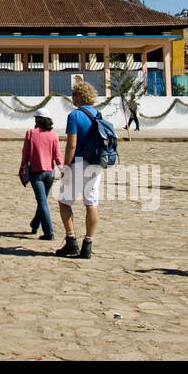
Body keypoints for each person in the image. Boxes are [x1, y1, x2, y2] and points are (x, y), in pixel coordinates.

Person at [56, 82, 104, 259]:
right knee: (91, 203)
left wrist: (65, 166)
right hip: (95, 164)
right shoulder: (97, 114)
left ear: (79, 96)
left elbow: (72, 143)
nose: (72, 96)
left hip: (78, 163)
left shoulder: (74, 115)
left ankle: (71, 241)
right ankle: (88, 245)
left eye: (73, 93)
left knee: (64, 201)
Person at [19, 111, 62, 240]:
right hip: (50, 173)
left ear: (37, 120)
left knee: (42, 201)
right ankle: (35, 224)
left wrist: (22, 168)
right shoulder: (53, 135)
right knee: (42, 201)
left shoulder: (30, 134)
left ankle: (49, 232)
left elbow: (25, 153)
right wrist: (63, 169)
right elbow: (58, 155)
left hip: (36, 173)